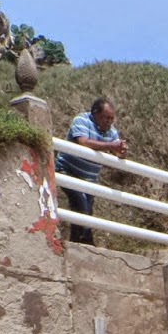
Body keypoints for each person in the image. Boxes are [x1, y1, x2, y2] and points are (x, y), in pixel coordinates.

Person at [56, 97, 128, 245]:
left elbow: (118, 153)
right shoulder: (82, 120)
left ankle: (83, 244)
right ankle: (80, 244)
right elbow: (83, 142)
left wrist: (122, 151)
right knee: (80, 204)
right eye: (105, 118)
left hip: (89, 180)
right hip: (68, 170)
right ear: (95, 113)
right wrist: (110, 146)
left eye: (111, 119)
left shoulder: (112, 132)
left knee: (87, 212)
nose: (109, 121)